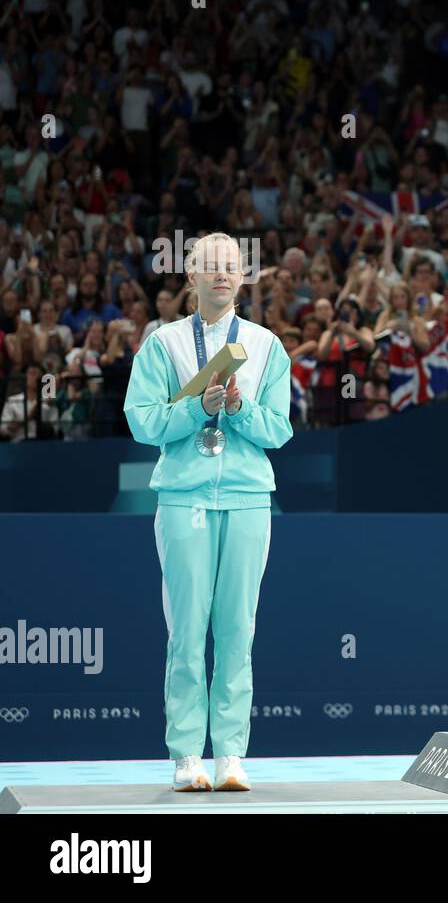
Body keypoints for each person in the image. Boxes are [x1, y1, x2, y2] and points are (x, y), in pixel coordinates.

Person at [124, 232, 293, 792]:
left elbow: (280, 429)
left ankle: (231, 756)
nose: (221, 274)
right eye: (209, 266)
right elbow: (143, 421)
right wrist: (197, 408)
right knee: (187, 626)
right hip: (184, 496)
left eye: (231, 267)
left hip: (248, 497)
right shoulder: (163, 344)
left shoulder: (267, 346)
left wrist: (240, 412)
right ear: (189, 275)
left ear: (243, 279)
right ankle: (185, 756)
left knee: (237, 628)